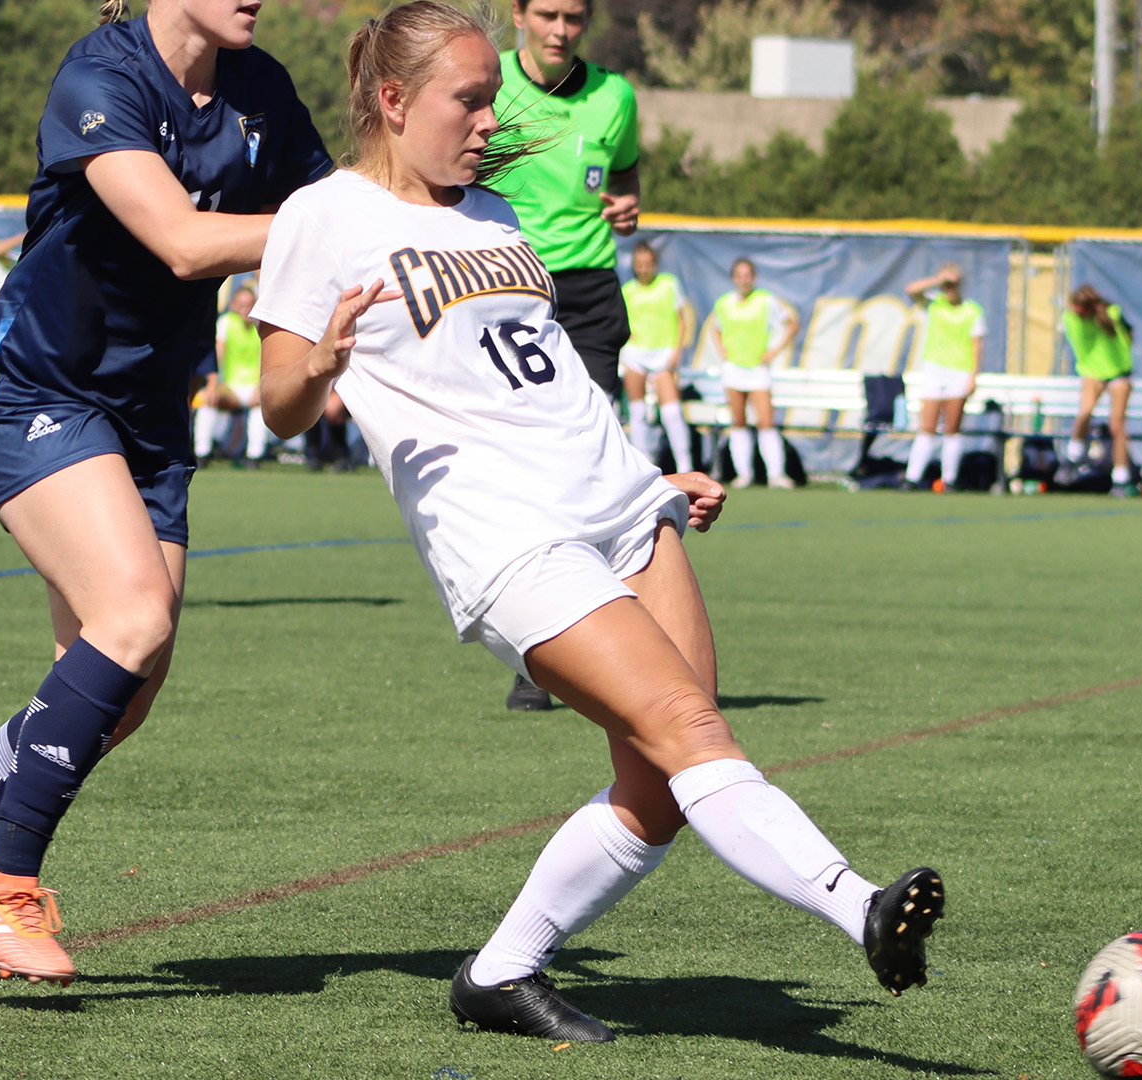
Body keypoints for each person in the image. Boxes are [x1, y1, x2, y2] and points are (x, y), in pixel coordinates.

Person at [251, 3, 944, 1041]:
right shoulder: (324, 217)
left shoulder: (495, 213)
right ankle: (862, 909)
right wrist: (318, 364)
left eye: (494, 99)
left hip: (619, 502)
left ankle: (500, 973)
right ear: (391, 102)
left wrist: (648, 472)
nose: (491, 119)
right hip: (505, 534)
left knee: (662, 786)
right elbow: (277, 404)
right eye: (469, 99)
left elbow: (537, 377)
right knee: (692, 730)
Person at [0, 0, 332, 988]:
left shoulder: (265, 92)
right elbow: (183, 242)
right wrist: (355, 225)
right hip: (35, 388)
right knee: (133, 615)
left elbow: (336, 216)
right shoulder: (100, 77)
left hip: (150, 414)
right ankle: (7, 885)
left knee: (121, 689)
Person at [490, 0, 644, 710]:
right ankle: (539, 640)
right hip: (504, 285)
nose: (560, 30)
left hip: (587, 295)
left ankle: (588, 643)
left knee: (588, 461)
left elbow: (626, 176)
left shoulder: (615, 97)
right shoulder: (481, 81)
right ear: (518, 13)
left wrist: (627, 205)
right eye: (546, 14)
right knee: (521, 467)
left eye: (574, 17)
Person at [710, 257, 799, 488]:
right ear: (733, 278)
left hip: (758, 369)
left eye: (747, 275)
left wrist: (773, 351)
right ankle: (744, 473)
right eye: (739, 276)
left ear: (754, 277)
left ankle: (776, 474)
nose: (744, 280)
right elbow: (716, 329)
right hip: (733, 369)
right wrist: (722, 352)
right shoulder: (724, 303)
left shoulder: (765, 300)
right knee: (738, 422)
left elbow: (791, 324)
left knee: (766, 421)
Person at [901, 263, 986, 492]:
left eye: (952, 284)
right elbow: (911, 290)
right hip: (934, 369)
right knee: (927, 426)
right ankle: (913, 477)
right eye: (946, 284)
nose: (949, 288)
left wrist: (973, 376)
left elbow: (977, 345)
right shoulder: (934, 303)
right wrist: (937, 280)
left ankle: (949, 478)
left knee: (952, 428)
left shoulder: (972, 310)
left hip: (959, 370)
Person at [620, 243, 694, 473]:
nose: (644, 269)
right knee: (638, 411)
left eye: (648, 264)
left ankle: (685, 465)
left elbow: (682, 319)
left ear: (655, 264)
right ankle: (642, 466)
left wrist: (676, 352)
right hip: (635, 352)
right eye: (640, 265)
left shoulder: (669, 285)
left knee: (672, 412)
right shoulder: (628, 290)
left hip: (663, 353)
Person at [1061, 284, 1134, 496]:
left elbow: (1127, 335)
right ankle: (1072, 457)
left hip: (1119, 372)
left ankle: (1121, 477)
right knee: (1085, 412)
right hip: (1092, 372)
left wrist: (1108, 321)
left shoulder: (1111, 313)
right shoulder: (1071, 318)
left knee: (1116, 425)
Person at [194, 284, 271, 467]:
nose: (246, 310)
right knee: (207, 400)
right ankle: (201, 453)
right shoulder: (225, 323)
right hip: (231, 389)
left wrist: (260, 388)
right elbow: (217, 358)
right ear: (234, 306)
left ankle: (255, 456)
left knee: (260, 406)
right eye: (242, 305)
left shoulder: (263, 325)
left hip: (255, 387)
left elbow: (268, 358)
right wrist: (211, 387)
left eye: (249, 305)